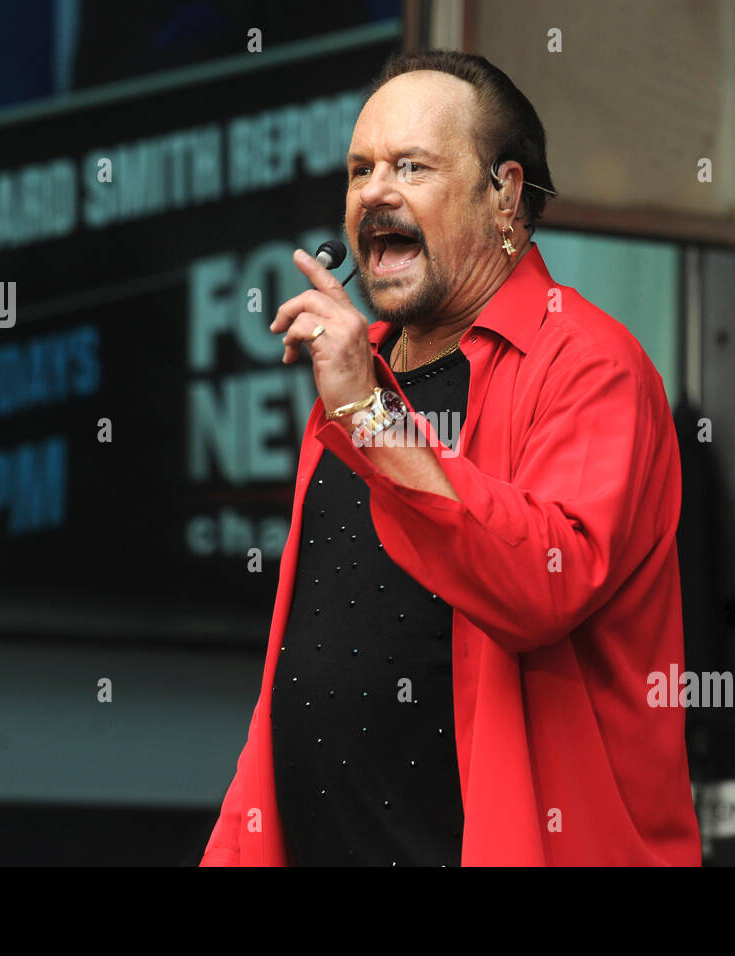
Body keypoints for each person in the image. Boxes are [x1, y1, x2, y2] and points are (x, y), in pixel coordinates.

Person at [200, 49, 700, 866]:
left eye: (411, 165)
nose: (375, 192)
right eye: (360, 169)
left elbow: (545, 580)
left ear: (504, 195)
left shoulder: (587, 362)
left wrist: (367, 410)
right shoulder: (363, 376)